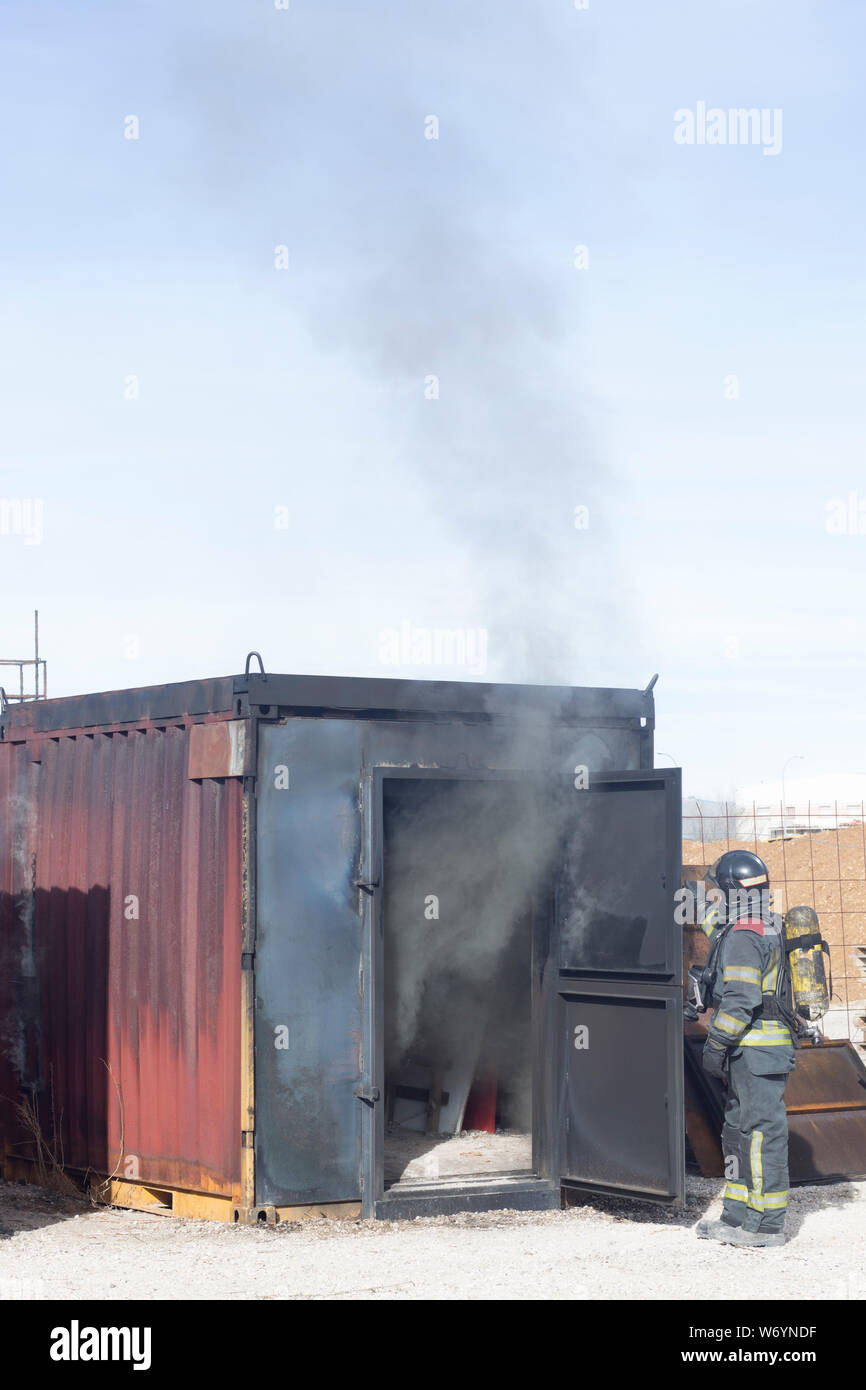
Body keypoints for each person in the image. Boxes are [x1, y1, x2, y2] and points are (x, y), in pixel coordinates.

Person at [695, 850, 795, 1248]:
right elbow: (712, 924)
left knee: (758, 1135)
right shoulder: (758, 922)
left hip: (754, 1051)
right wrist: (682, 889)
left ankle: (766, 1223)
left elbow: (739, 1001)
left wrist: (715, 1045)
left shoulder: (744, 936)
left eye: (719, 890)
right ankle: (736, 1216)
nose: (714, 896)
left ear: (734, 892)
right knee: (738, 1132)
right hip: (753, 1051)